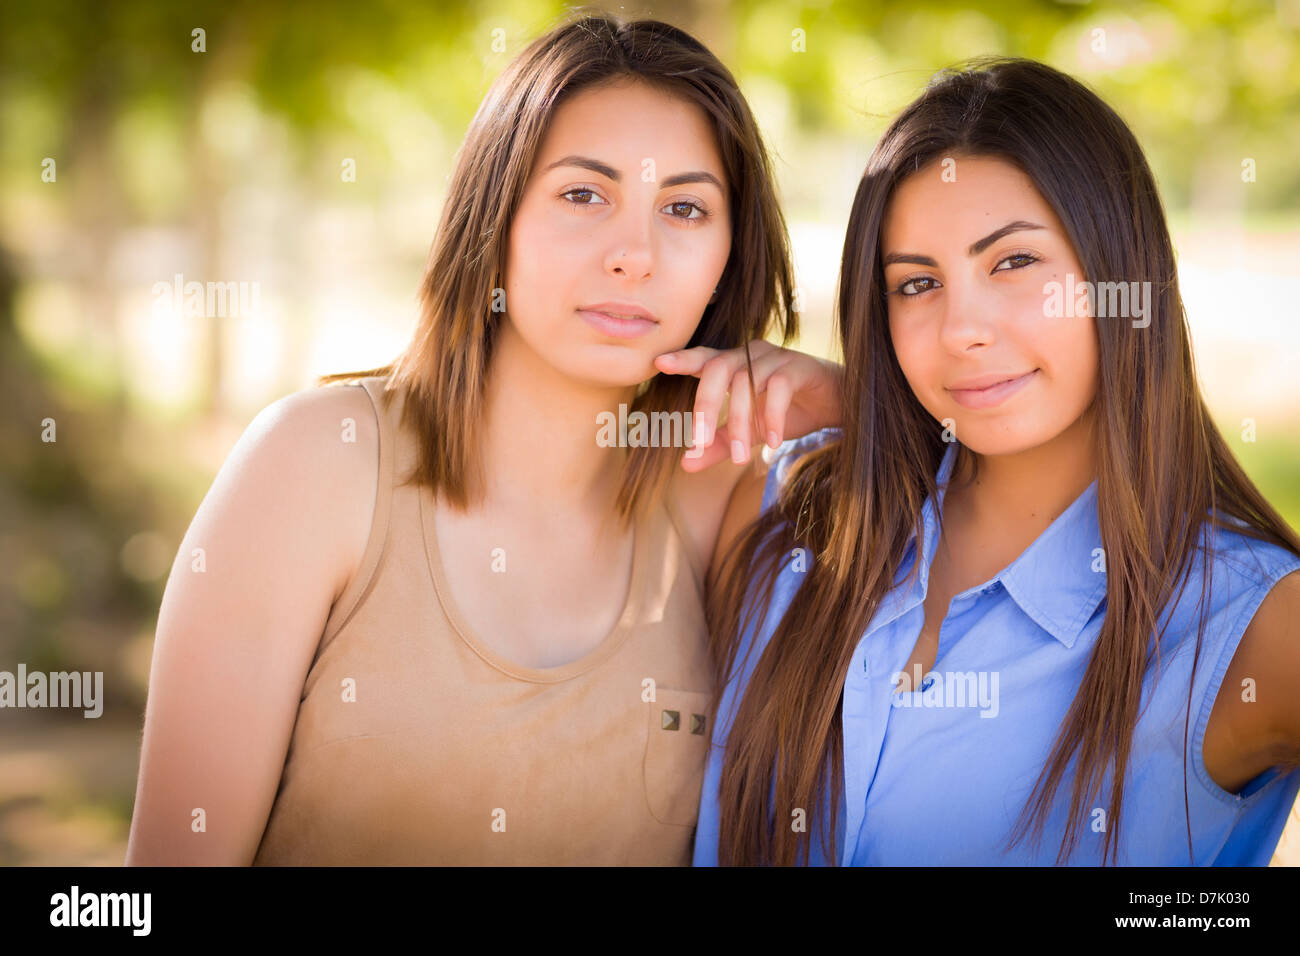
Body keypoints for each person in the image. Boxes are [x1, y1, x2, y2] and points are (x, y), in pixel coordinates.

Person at [124, 12, 842, 866]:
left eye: (685, 207)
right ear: (494, 211)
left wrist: (846, 398)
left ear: (730, 249)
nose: (635, 254)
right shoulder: (317, 466)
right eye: (584, 194)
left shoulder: (719, 490)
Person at [695, 57, 1300, 866]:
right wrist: (870, 409)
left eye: (1013, 263)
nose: (960, 331)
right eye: (916, 285)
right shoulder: (785, 511)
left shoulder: (1243, 625)